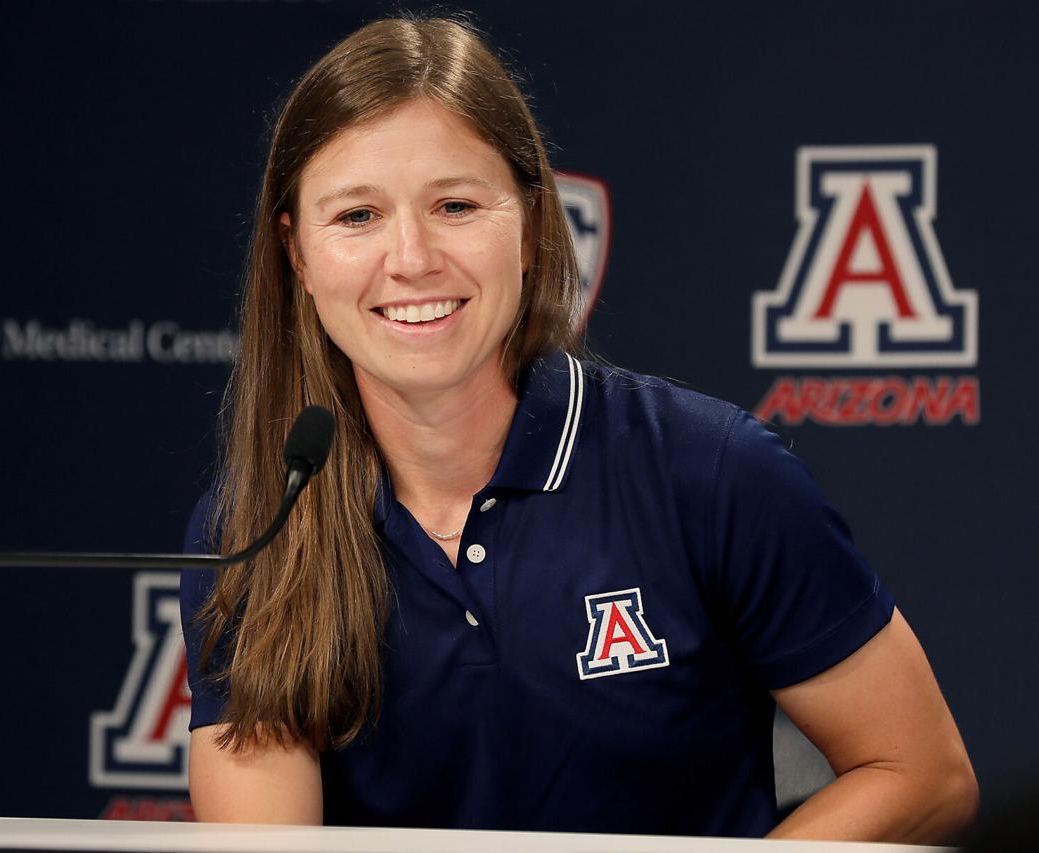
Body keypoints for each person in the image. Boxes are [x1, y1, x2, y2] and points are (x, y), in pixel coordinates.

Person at [180, 15, 978, 841]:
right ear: (297, 254)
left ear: (529, 224)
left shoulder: (709, 470)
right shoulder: (254, 530)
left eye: (455, 204)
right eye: (357, 217)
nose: (411, 258)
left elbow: (922, 774)